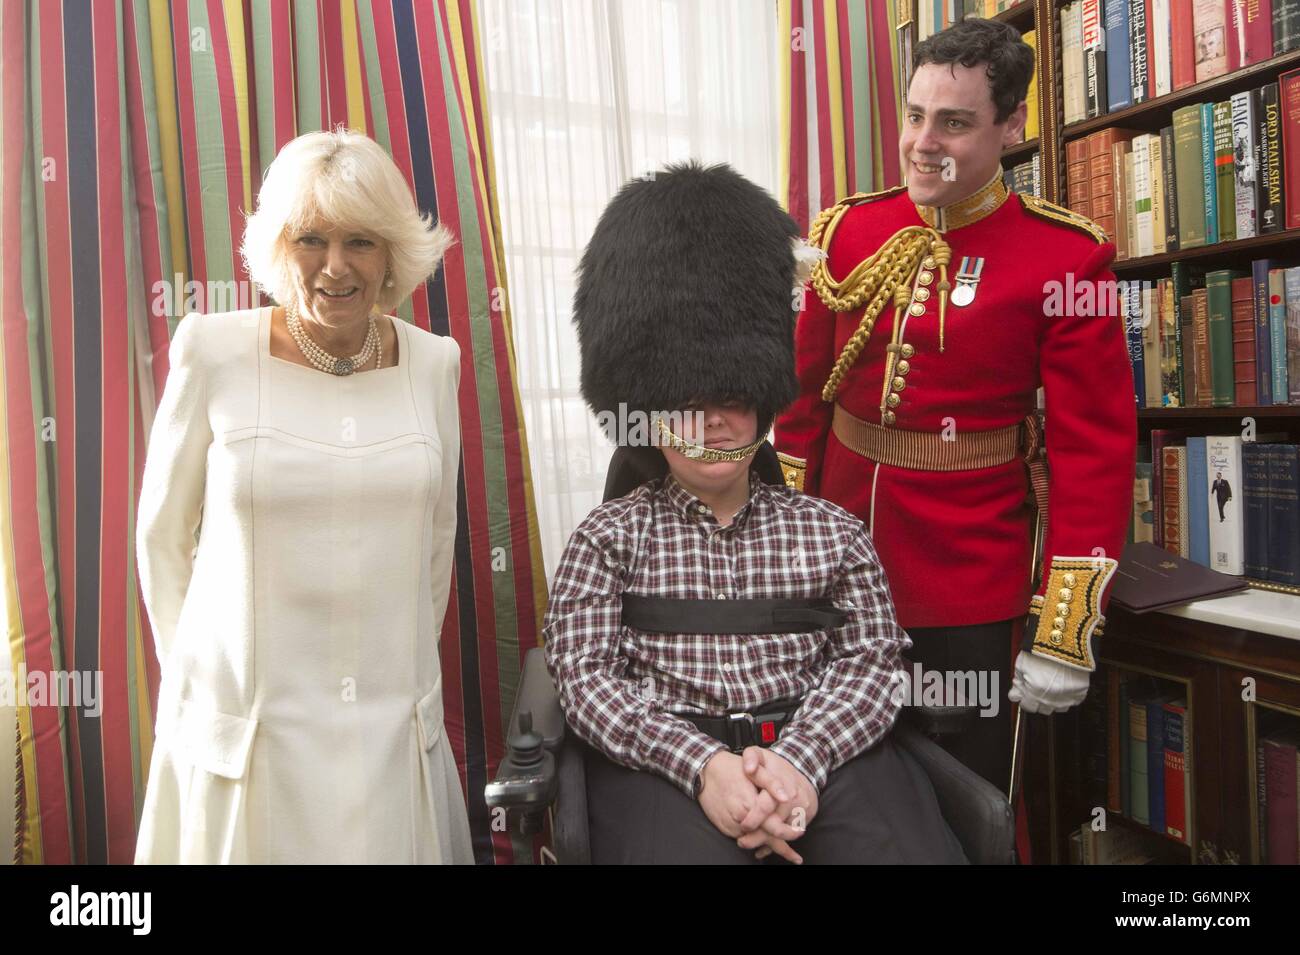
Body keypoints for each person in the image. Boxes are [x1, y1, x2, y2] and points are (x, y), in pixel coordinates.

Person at [543, 161, 967, 864]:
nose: (708, 425)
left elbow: (874, 663)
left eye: (730, 400)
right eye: (684, 403)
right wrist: (703, 766)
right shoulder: (605, 538)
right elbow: (583, 678)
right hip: (664, 764)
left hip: (816, 750)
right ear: (647, 413)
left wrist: (799, 761)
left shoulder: (834, 534)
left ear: (763, 404)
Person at [774, 18, 1137, 791]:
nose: (922, 142)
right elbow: (800, 415)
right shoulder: (847, 232)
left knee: (965, 802)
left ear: (1012, 126)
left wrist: (1064, 628)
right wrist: (775, 560)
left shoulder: (1067, 258)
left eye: (955, 122)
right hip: (834, 575)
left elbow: (1093, 454)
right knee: (834, 796)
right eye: (915, 115)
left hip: (971, 584)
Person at [134, 128, 473, 863]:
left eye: (361, 240)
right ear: (277, 247)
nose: (335, 266)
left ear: (391, 256)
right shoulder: (212, 349)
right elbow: (161, 535)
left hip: (389, 741)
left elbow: (436, 544)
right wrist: (197, 681)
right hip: (248, 743)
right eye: (311, 238)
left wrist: (397, 673)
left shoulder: (434, 364)